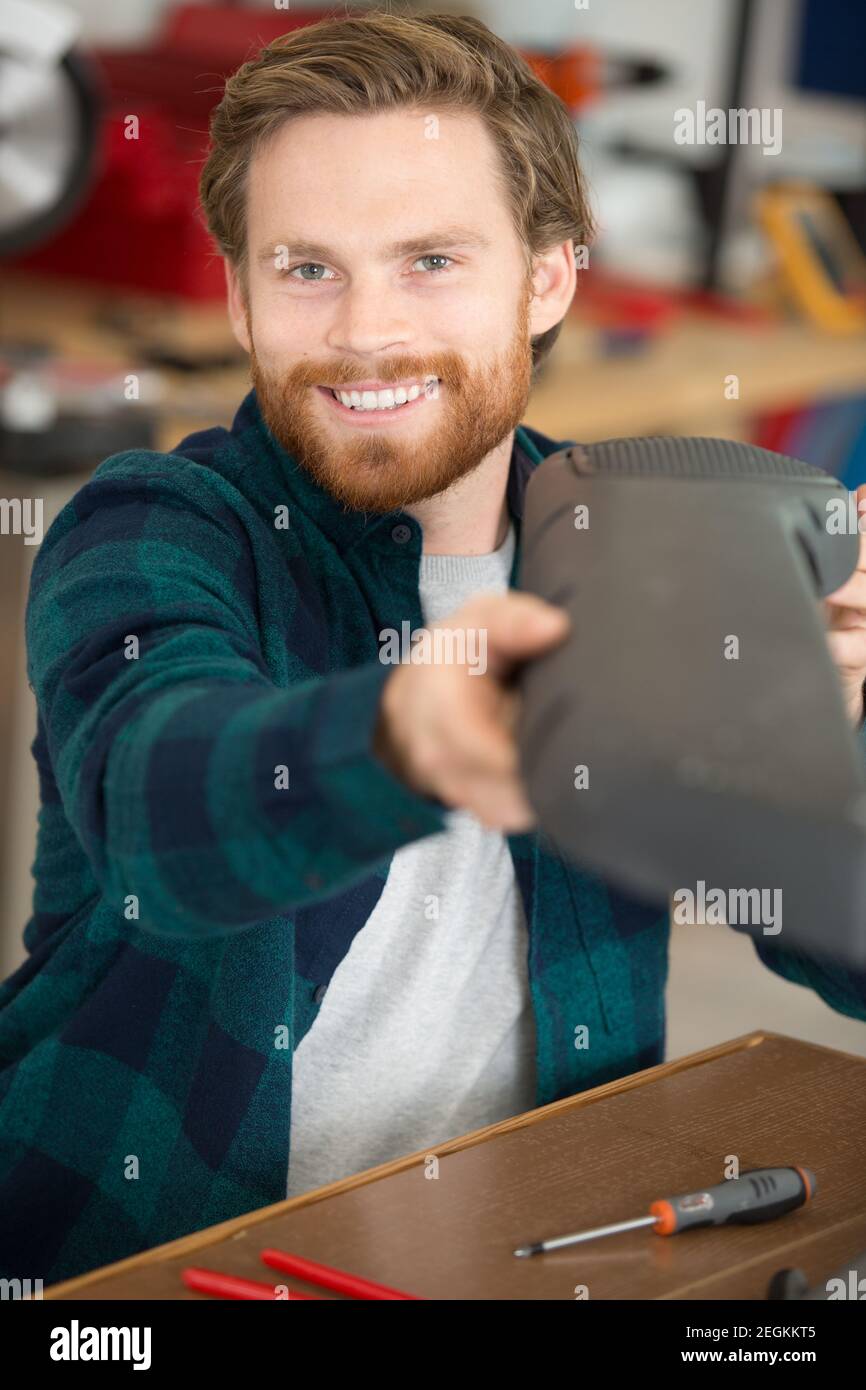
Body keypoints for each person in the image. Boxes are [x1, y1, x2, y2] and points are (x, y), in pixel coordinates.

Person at [2, 11, 865, 1287]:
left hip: (528, 1241)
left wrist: (829, 749)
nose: (363, 332)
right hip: (132, 1265)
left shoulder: (667, 541)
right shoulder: (152, 528)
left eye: (429, 260)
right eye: (305, 268)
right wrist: (406, 735)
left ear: (549, 277)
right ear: (238, 297)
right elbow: (157, 808)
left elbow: (831, 947)